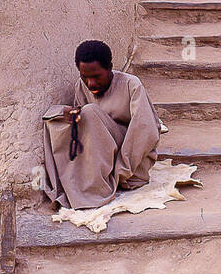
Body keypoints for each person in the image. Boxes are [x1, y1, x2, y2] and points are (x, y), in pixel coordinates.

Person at [41, 40, 161, 210]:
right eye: (85, 77)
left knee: (89, 112)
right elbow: (87, 132)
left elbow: (146, 133)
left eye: (97, 76)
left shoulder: (131, 85)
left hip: (131, 164)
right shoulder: (81, 87)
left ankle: (99, 184)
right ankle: (81, 181)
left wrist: (120, 172)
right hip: (103, 159)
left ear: (110, 67)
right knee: (55, 119)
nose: (91, 84)